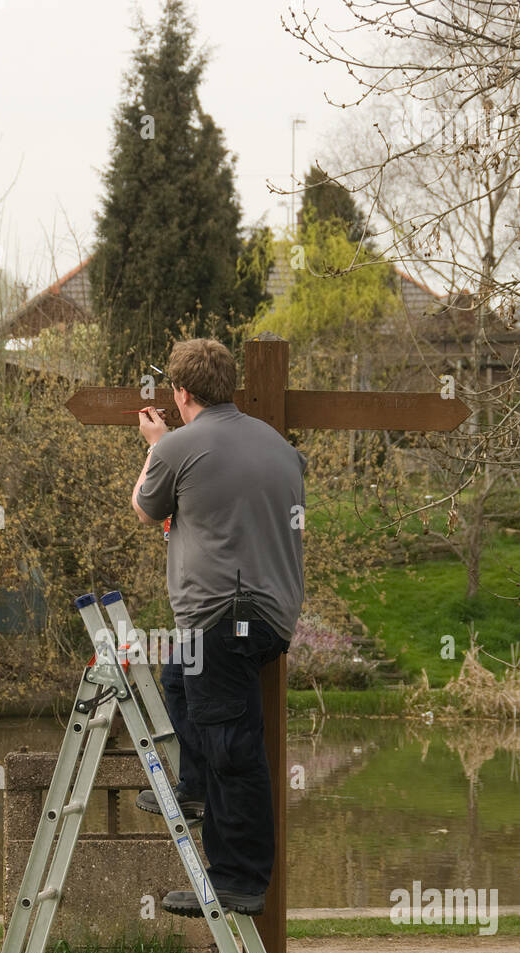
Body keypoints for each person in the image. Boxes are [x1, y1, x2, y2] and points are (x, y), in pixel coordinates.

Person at [130, 337, 307, 917]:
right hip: (267, 615)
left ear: (181, 393)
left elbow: (146, 509)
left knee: (233, 744)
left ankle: (239, 879)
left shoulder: (177, 445)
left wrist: (157, 446)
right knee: (178, 680)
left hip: (223, 617)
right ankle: (196, 784)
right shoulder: (276, 442)